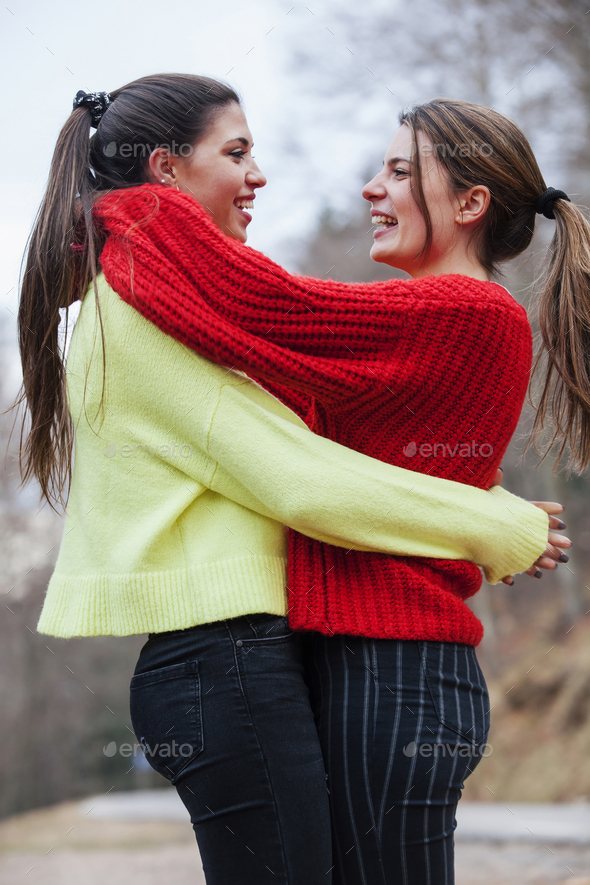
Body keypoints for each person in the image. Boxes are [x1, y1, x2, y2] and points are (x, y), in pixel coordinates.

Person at [15, 74, 564, 885]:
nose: (259, 174)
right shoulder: (134, 310)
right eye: (236, 153)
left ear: (473, 202)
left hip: (291, 657)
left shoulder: (465, 312)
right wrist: (496, 523)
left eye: (402, 172)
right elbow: (299, 477)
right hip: (224, 659)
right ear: (164, 171)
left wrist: (136, 223)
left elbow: (281, 324)